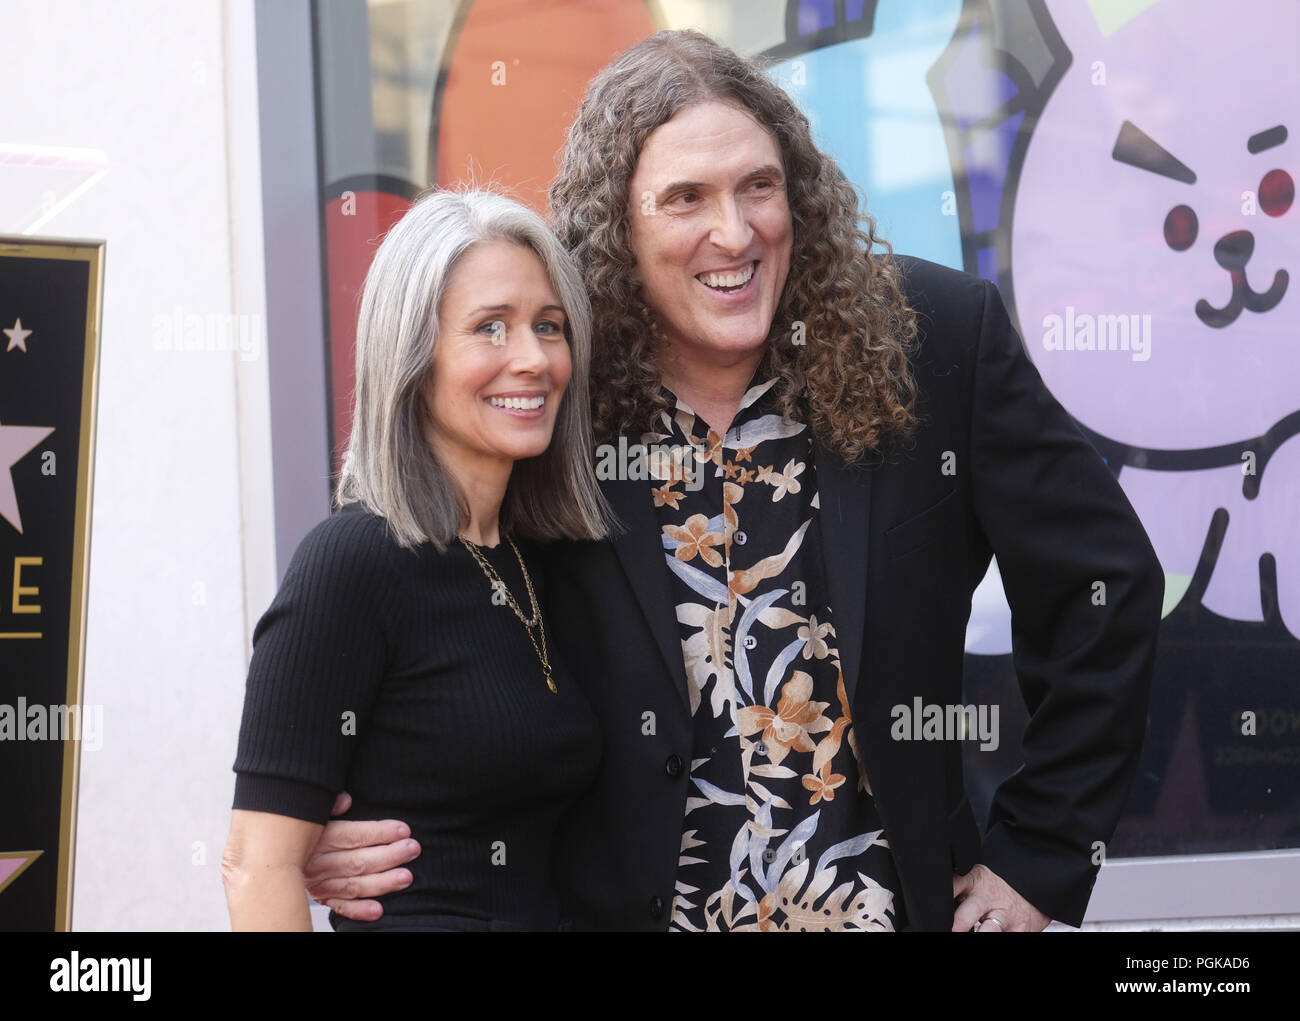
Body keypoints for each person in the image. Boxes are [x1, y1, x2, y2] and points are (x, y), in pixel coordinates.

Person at [302, 30, 1163, 932]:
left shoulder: (935, 341)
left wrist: (1040, 857)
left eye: (759, 185)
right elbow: (411, 621)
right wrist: (333, 814)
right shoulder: (553, 394)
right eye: (685, 198)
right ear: (617, 228)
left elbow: (1104, 589)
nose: (735, 230)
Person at [220, 187, 616, 930]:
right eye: (489, 328)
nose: (531, 358)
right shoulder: (352, 563)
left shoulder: (536, 561)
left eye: (548, 327)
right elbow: (254, 863)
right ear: (411, 357)